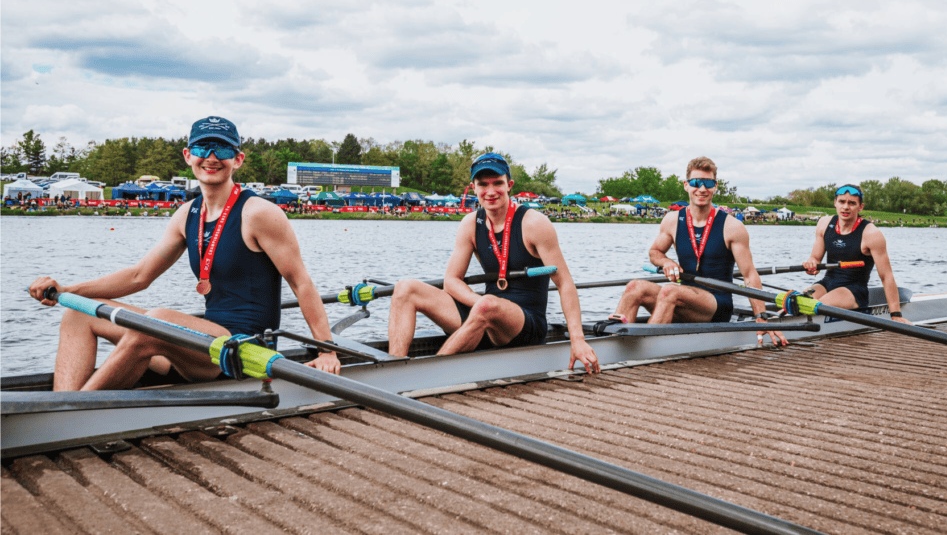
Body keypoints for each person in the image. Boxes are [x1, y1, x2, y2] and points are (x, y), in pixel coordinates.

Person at [28, 116, 341, 391]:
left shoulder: (259, 213)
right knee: (79, 313)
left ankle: (73, 415)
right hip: (199, 349)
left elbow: (300, 282)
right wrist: (68, 291)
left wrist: (326, 350)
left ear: (238, 159)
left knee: (158, 320)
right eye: (203, 147)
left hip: (243, 352)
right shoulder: (187, 214)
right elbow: (139, 276)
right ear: (188, 155)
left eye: (223, 149)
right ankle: (63, 405)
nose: (212, 157)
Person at [387, 153, 600, 373]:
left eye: (497, 183)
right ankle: (392, 370)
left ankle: (427, 375)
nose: (490, 192)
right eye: (483, 184)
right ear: (473, 188)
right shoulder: (470, 224)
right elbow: (451, 281)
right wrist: (478, 304)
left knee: (488, 305)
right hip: (485, 313)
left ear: (509, 185)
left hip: (526, 325)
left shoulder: (535, 224)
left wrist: (577, 339)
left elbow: (565, 283)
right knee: (405, 288)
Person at [612, 156, 788, 347]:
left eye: (708, 183)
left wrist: (761, 316)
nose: (702, 189)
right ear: (686, 185)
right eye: (696, 182)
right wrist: (666, 262)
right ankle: (616, 343)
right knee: (634, 287)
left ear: (715, 186)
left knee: (670, 291)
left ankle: (646, 348)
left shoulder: (732, 227)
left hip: (716, 305)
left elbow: (749, 275)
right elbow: (655, 252)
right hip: (682, 298)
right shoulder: (672, 220)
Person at [802, 185, 910, 324]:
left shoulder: (871, 234)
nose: (846, 207)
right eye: (842, 202)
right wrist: (811, 264)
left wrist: (895, 314)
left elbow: (886, 276)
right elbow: (815, 258)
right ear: (835, 203)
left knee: (817, 306)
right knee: (799, 302)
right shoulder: (824, 224)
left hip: (854, 290)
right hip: (826, 283)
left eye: (852, 203)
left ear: (860, 207)